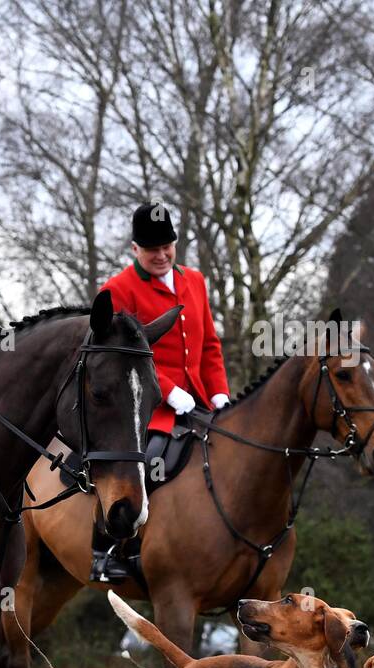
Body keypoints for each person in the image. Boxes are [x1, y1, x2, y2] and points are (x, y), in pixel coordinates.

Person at [93, 203, 231, 583]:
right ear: (135, 249)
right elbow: (123, 359)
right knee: (149, 460)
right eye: (152, 249)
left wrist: (219, 393)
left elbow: (209, 347)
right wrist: (168, 392)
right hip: (150, 406)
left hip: (201, 401)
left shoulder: (195, 281)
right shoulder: (118, 290)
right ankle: (108, 552)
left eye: (167, 246)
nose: (161, 255)